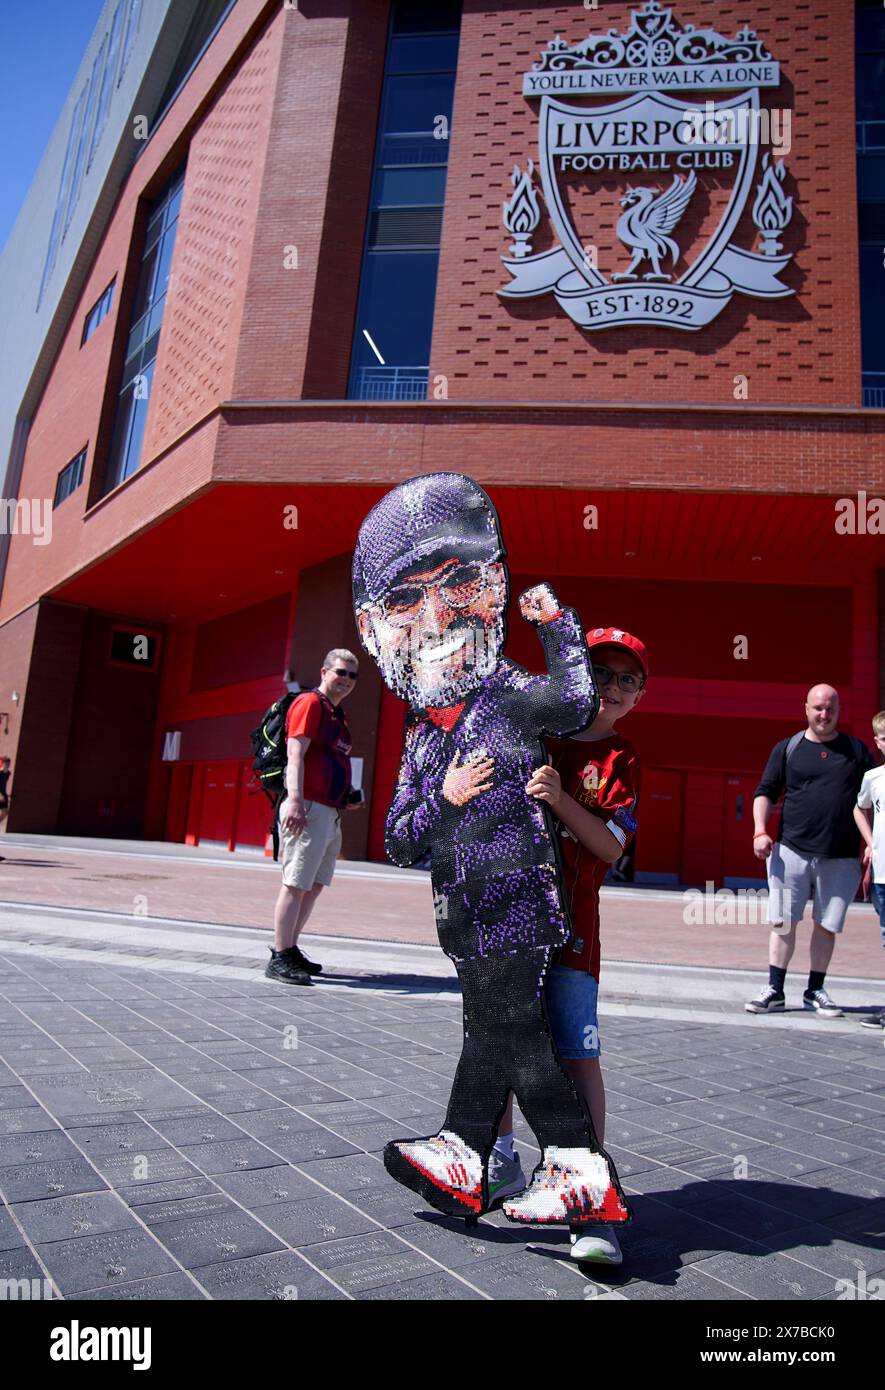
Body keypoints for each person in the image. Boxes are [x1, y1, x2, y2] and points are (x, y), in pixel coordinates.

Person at [353, 473, 631, 1228]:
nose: (437, 614)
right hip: (463, 919)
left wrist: (555, 625)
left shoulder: (509, 693)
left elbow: (574, 702)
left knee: (510, 1029)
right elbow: (399, 840)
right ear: (371, 628)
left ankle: (573, 1169)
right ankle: (466, 1155)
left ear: (496, 585)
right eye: (406, 598)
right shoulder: (415, 740)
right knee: (496, 1030)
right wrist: (443, 801)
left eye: (459, 580)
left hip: (517, 905)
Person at [495, 627, 646, 1265]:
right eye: (600, 671)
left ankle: (588, 1198)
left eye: (626, 678)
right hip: (507, 928)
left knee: (578, 1056)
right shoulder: (533, 732)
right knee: (500, 1044)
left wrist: (558, 800)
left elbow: (612, 846)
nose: (611, 686)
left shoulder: (621, 760)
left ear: (640, 693)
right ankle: (495, 1160)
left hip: (575, 936)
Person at [747, 684, 875, 1018]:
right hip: (791, 852)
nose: (824, 714)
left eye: (830, 708)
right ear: (806, 709)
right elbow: (765, 792)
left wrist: (873, 843)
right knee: (783, 922)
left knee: (826, 925)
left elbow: (874, 802)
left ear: (839, 710)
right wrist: (760, 831)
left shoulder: (857, 752)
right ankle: (775, 989)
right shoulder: (788, 749)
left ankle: (815, 989)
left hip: (841, 855)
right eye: (818, 708)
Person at [266, 650, 363, 986]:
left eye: (353, 675)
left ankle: (290, 948)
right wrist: (294, 800)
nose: (347, 680)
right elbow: (296, 755)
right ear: (325, 671)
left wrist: (346, 793)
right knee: (295, 883)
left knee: (315, 884)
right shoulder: (310, 703)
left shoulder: (338, 715)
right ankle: (280, 955)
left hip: (329, 810)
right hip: (306, 807)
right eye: (341, 672)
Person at [853, 710, 885, 1030]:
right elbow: (859, 809)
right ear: (877, 741)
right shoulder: (873, 778)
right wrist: (870, 843)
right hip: (882, 875)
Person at [0, 756, 10, 828]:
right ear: (3, 764)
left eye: (9, 764)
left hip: (3, 793)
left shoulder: (8, 773)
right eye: (6, 764)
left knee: (5, 812)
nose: (8, 765)